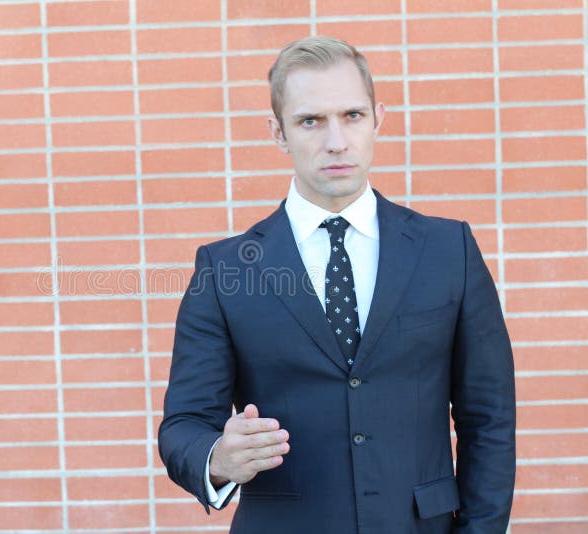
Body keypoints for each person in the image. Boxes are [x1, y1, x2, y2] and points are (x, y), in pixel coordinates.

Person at [158, 36, 515, 533]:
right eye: (311, 121)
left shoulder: (448, 249)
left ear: (378, 119)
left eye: (352, 115)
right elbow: (184, 425)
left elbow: (489, 418)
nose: (336, 141)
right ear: (279, 132)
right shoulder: (225, 270)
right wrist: (218, 457)